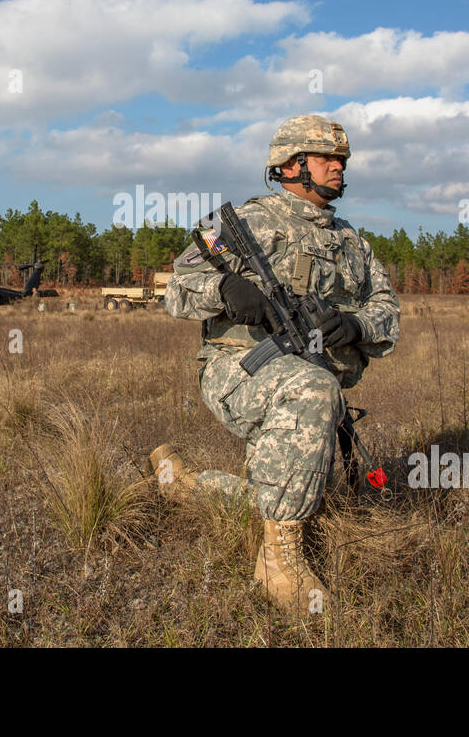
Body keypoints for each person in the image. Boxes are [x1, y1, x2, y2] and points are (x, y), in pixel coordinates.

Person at [157, 114, 400, 612]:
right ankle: (278, 565)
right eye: (327, 157)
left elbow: (388, 311)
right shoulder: (242, 224)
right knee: (310, 394)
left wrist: (357, 326)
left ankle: (180, 483)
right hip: (238, 368)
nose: (339, 166)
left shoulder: (352, 242)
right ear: (291, 165)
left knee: (284, 491)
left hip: (311, 375)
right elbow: (176, 288)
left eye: (342, 159)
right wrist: (223, 288)